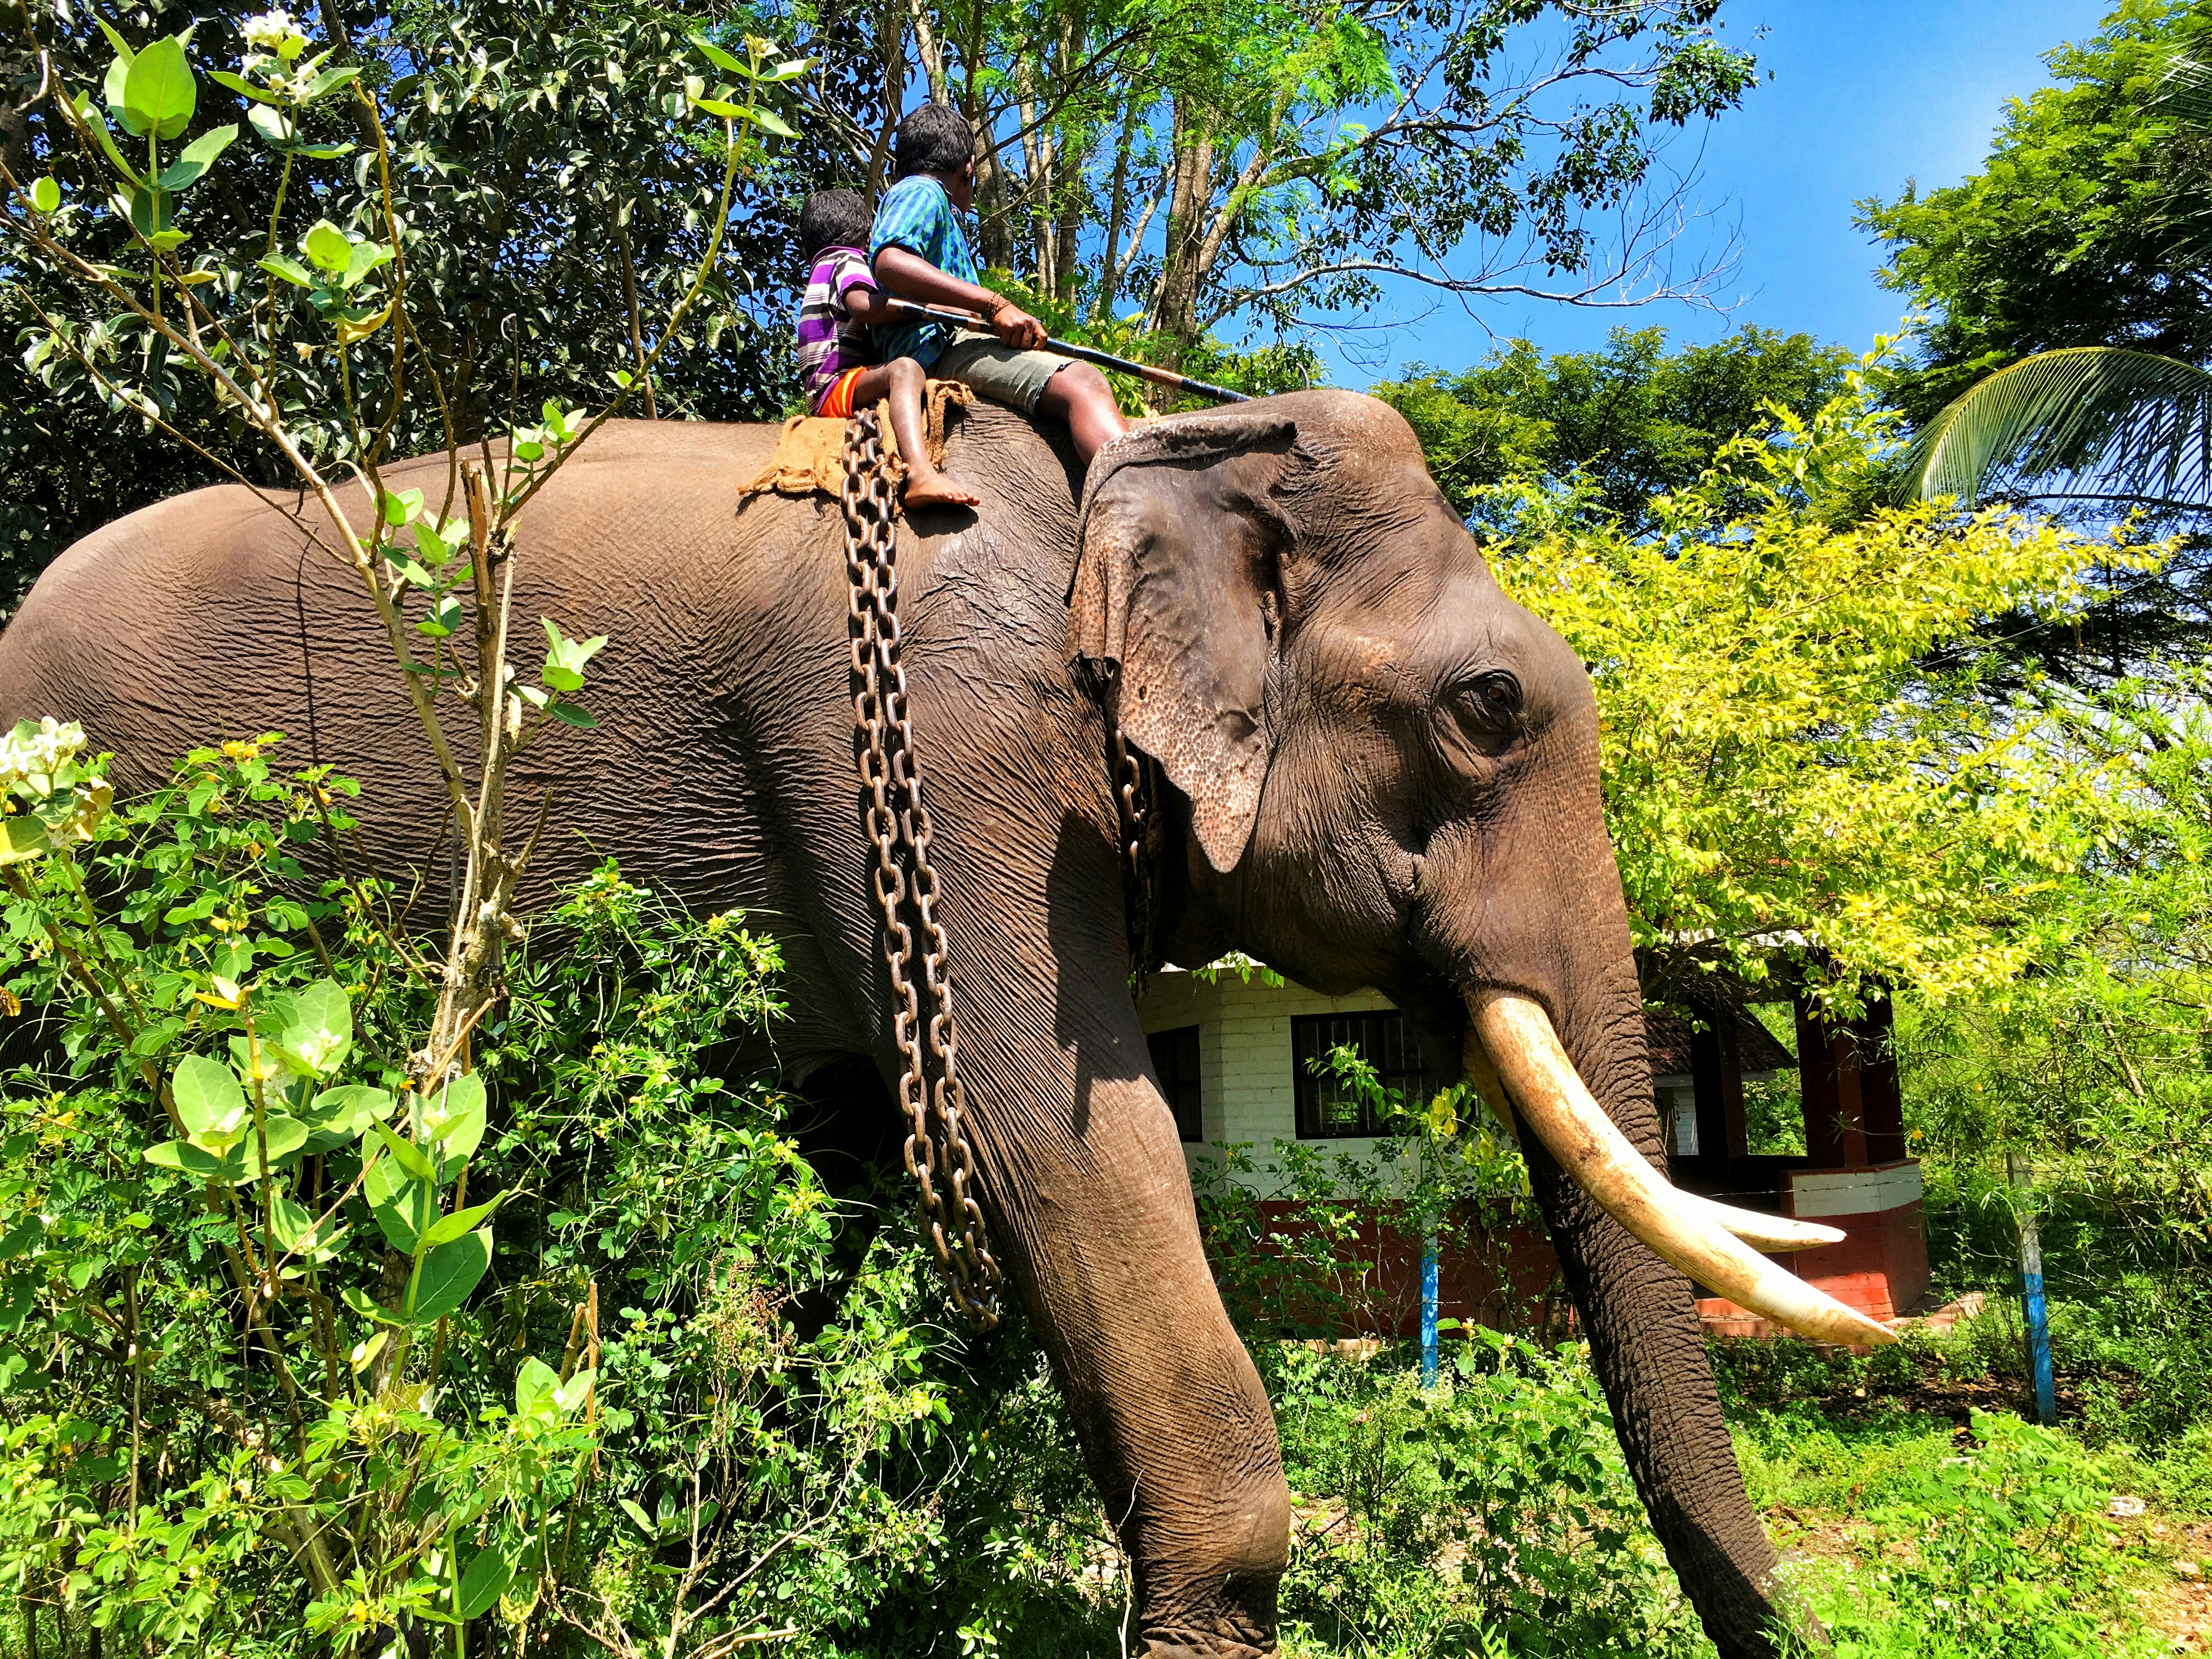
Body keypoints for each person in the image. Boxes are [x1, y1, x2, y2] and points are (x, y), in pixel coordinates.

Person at [867, 104, 1131, 469]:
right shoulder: (922, 191)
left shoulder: (921, 199)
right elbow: (890, 262)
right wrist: (994, 304)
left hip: (943, 343)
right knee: (1082, 382)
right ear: (968, 169)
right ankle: (1138, 493)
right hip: (942, 347)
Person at [795, 187, 980, 509]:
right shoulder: (848, 260)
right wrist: (929, 308)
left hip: (827, 384)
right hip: (836, 385)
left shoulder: (821, 268)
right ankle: (921, 473)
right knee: (905, 369)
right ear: (867, 238)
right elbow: (863, 306)